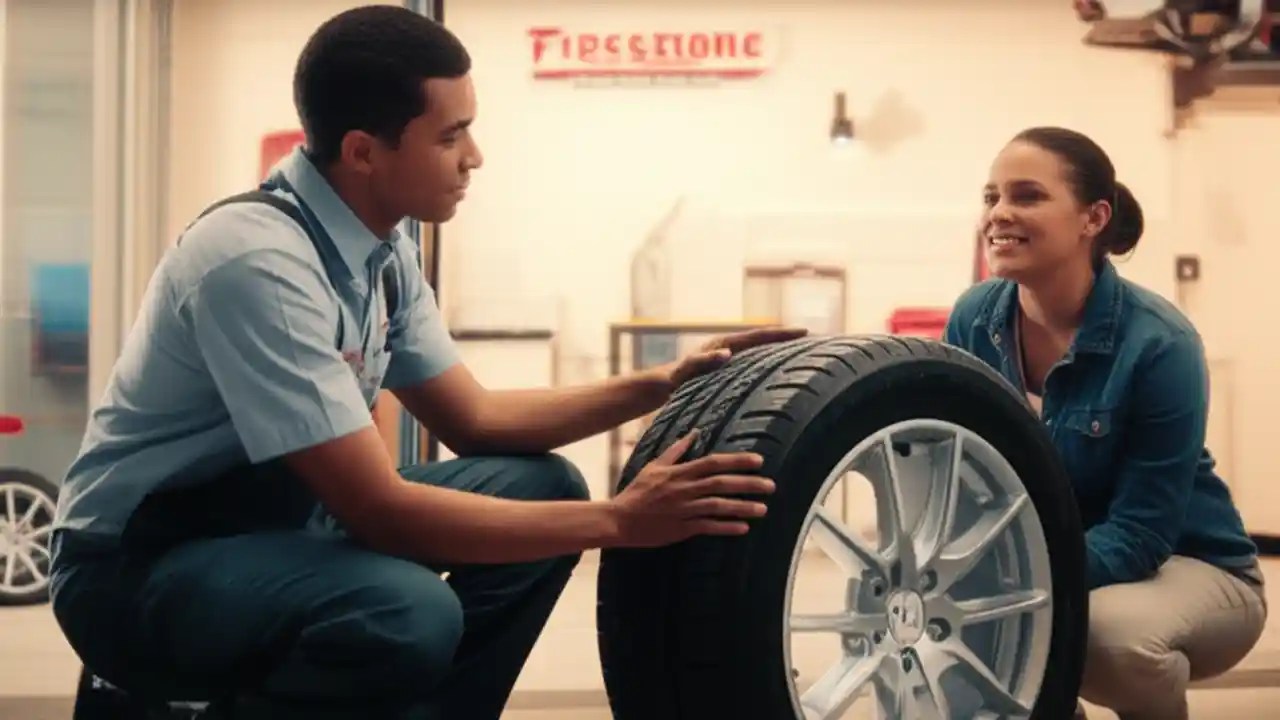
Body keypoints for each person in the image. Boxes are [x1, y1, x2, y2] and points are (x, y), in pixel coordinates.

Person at [47, 7, 804, 719]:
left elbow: (476, 421)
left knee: (543, 485)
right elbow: (380, 512)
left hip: (277, 524)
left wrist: (661, 383)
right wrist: (620, 521)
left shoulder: (382, 251)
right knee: (406, 611)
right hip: (136, 567)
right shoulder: (256, 264)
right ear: (363, 153)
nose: (474, 157)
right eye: (451, 137)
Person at [944, 125, 1267, 720]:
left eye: (1027, 196)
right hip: (1059, 562)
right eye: (991, 197)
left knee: (1105, 641)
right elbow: (965, 471)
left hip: (1191, 568)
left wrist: (1018, 584)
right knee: (975, 642)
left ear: (1093, 218)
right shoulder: (974, 319)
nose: (999, 214)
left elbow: (1143, 534)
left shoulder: (1159, 342)